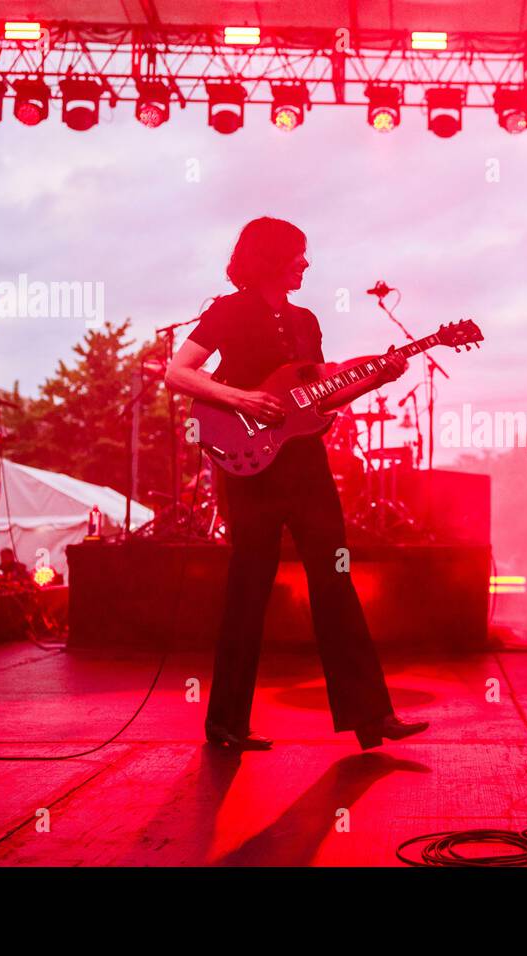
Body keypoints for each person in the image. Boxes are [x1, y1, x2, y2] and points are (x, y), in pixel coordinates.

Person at [166, 217, 428, 752]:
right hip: (248, 465)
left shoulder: (307, 320)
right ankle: (226, 725)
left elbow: (318, 396)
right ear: (269, 257)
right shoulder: (228, 311)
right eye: (297, 255)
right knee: (249, 586)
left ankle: (371, 717)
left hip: (304, 462)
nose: (306, 264)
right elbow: (179, 372)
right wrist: (240, 399)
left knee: (336, 578)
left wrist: (373, 375)